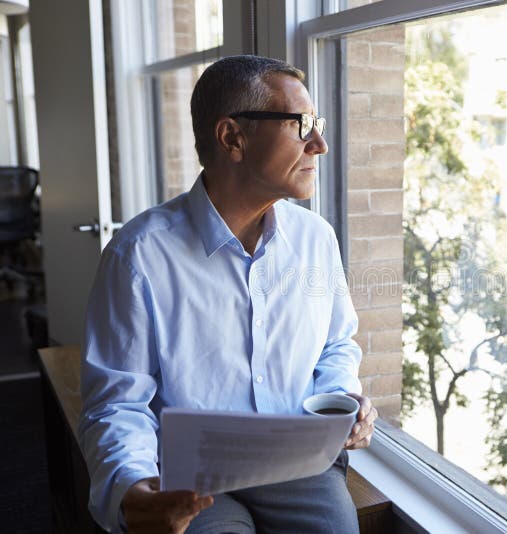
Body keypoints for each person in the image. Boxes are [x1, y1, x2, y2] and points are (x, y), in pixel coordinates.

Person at [78, 55, 377, 534]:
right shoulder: (138, 256)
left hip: (296, 462)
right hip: (188, 476)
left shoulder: (317, 239)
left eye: (316, 125)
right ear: (232, 137)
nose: (319, 144)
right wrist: (133, 488)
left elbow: (337, 345)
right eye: (302, 125)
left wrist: (341, 400)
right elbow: (117, 404)